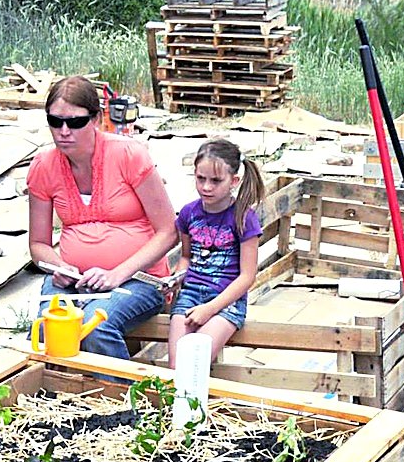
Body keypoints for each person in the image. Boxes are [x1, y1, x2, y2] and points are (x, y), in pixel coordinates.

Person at [27, 75, 178, 360]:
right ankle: (53, 397)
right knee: (47, 329)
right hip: (74, 280)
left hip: (139, 278)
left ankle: (120, 403)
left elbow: (169, 231)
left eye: (75, 122)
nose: (63, 131)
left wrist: (117, 274)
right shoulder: (43, 165)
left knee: (94, 326)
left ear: (96, 119)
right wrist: (60, 267)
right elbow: (38, 244)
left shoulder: (129, 154)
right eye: (55, 121)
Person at [167, 139, 265, 369]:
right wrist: (176, 278)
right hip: (190, 295)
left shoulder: (243, 218)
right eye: (201, 179)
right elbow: (187, 257)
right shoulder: (189, 213)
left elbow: (247, 276)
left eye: (215, 181)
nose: (206, 187)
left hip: (225, 300)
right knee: (176, 366)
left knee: (193, 363)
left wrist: (210, 308)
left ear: (234, 181)